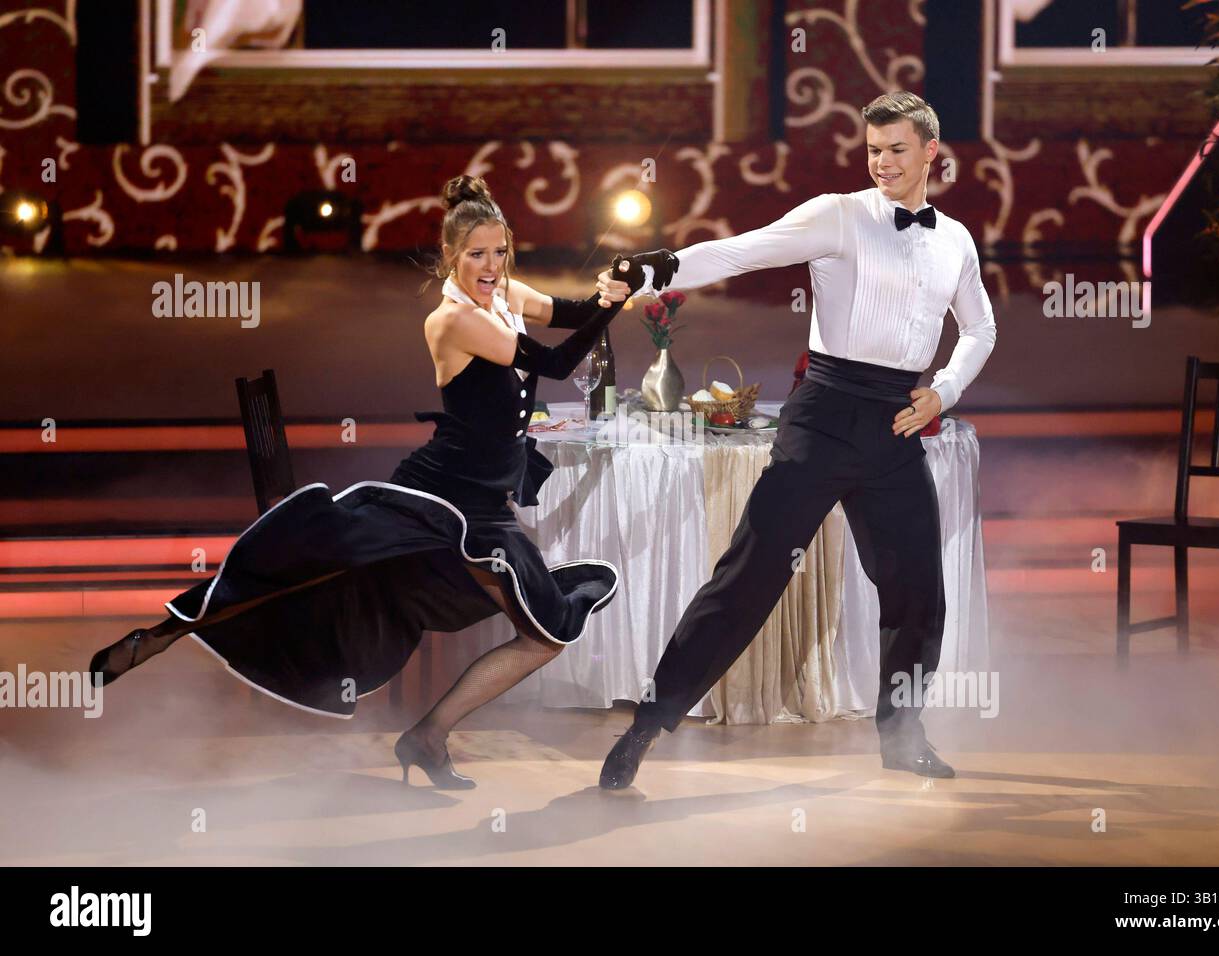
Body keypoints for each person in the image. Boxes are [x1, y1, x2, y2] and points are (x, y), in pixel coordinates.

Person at [89, 175, 635, 789]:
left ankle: (427, 736)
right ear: (450, 257)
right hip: (442, 500)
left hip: (484, 501)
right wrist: (612, 306)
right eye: (476, 255)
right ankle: (161, 634)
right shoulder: (453, 319)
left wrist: (611, 289)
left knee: (542, 631)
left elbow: (576, 315)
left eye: (499, 252)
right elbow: (559, 363)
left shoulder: (504, 292)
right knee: (316, 572)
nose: (491, 266)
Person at [595, 91, 998, 787]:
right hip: (823, 416)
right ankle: (647, 727)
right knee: (750, 576)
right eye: (873, 149)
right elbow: (743, 252)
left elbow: (982, 329)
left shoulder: (955, 241)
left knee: (919, 594)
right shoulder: (837, 214)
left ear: (931, 152)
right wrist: (653, 269)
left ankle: (902, 736)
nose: (882, 162)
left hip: (895, 424)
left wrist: (945, 389)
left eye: (897, 149)